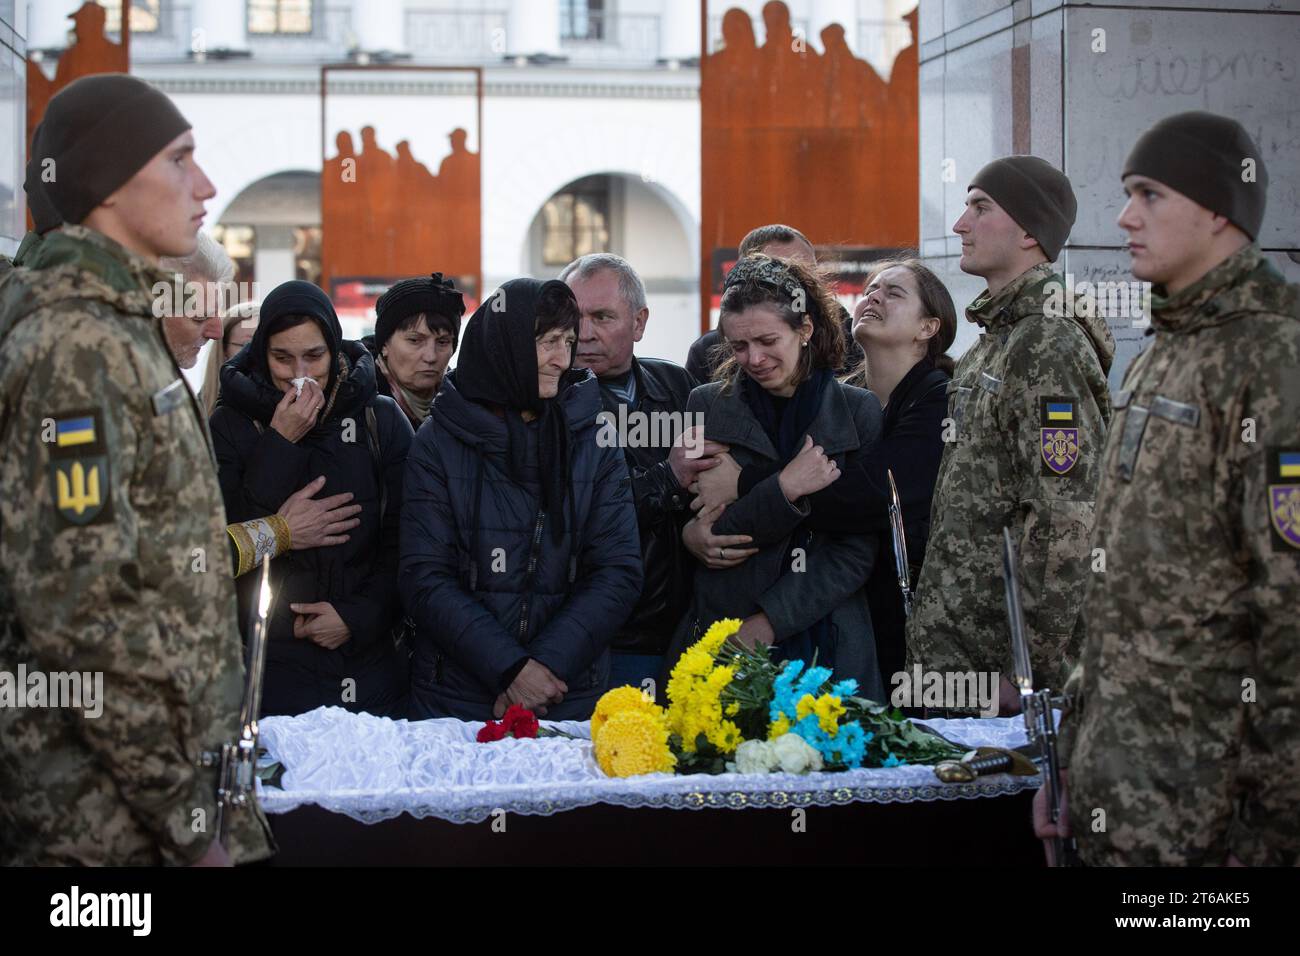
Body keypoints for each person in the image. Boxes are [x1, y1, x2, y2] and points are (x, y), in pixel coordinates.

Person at [0, 74, 272, 866]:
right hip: (103, 832)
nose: (207, 185)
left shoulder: (117, 326)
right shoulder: (76, 346)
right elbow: (83, 613)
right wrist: (188, 822)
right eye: (181, 159)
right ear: (110, 184)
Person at [1036, 113, 1300, 867]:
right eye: (1127, 194)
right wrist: (1071, 761)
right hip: (1119, 797)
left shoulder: (1272, 360)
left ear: (1220, 209)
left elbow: (1290, 616)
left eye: (1148, 193)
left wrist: (1269, 835)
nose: (1124, 217)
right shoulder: (1165, 353)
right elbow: (1119, 593)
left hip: (1209, 825)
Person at [906, 156, 1114, 714]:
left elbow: (1065, 516)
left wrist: (1027, 673)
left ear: (1029, 231)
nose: (959, 225)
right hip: (960, 657)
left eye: (981, 207)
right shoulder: (997, 339)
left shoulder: (1047, 342)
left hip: (999, 675)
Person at [400, 278, 643, 722]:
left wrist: (543, 670)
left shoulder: (594, 437)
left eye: (567, 342)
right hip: (457, 698)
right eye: (548, 342)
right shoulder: (439, 441)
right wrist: (509, 669)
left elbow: (618, 571)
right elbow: (425, 577)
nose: (562, 358)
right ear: (505, 345)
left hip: (565, 693)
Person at [667, 255, 886, 699]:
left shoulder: (858, 410)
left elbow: (856, 549)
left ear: (804, 330)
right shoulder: (705, 404)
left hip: (831, 641)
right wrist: (786, 489)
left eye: (768, 341)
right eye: (738, 346)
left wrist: (770, 622)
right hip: (724, 630)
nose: (754, 358)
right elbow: (725, 529)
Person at [210, 280, 413, 718]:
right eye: (282, 358)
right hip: (269, 668)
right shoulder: (230, 425)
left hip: (369, 670)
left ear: (334, 350)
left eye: (314, 356)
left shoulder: (380, 418)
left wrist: (356, 617)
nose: (298, 372)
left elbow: (408, 542)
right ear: (262, 352)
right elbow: (217, 548)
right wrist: (281, 443)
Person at [560, 253, 717, 690]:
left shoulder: (677, 386)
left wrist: (699, 525)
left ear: (639, 322)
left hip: (687, 624)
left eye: (602, 316)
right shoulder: (549, 403)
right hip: (599, 635)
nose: (585, 333)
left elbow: (710, 479)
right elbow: (576, 512)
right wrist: (668, 478)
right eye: (575, 317)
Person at [686, 223, 862, 382]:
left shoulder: (849, 337)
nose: (797, 284)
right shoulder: (708, 352)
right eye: (779, 273)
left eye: (806, 272)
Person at [362, 272, 464, 429]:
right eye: (415, 341)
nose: (430, 357)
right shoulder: (355, 401)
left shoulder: (464, 404)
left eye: (443, 342)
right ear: (384, 345)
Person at [202, 299, 260, 415]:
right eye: (247, 345)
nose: (259, 354)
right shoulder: (198, 409)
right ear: (223, 350)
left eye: (265, 344)